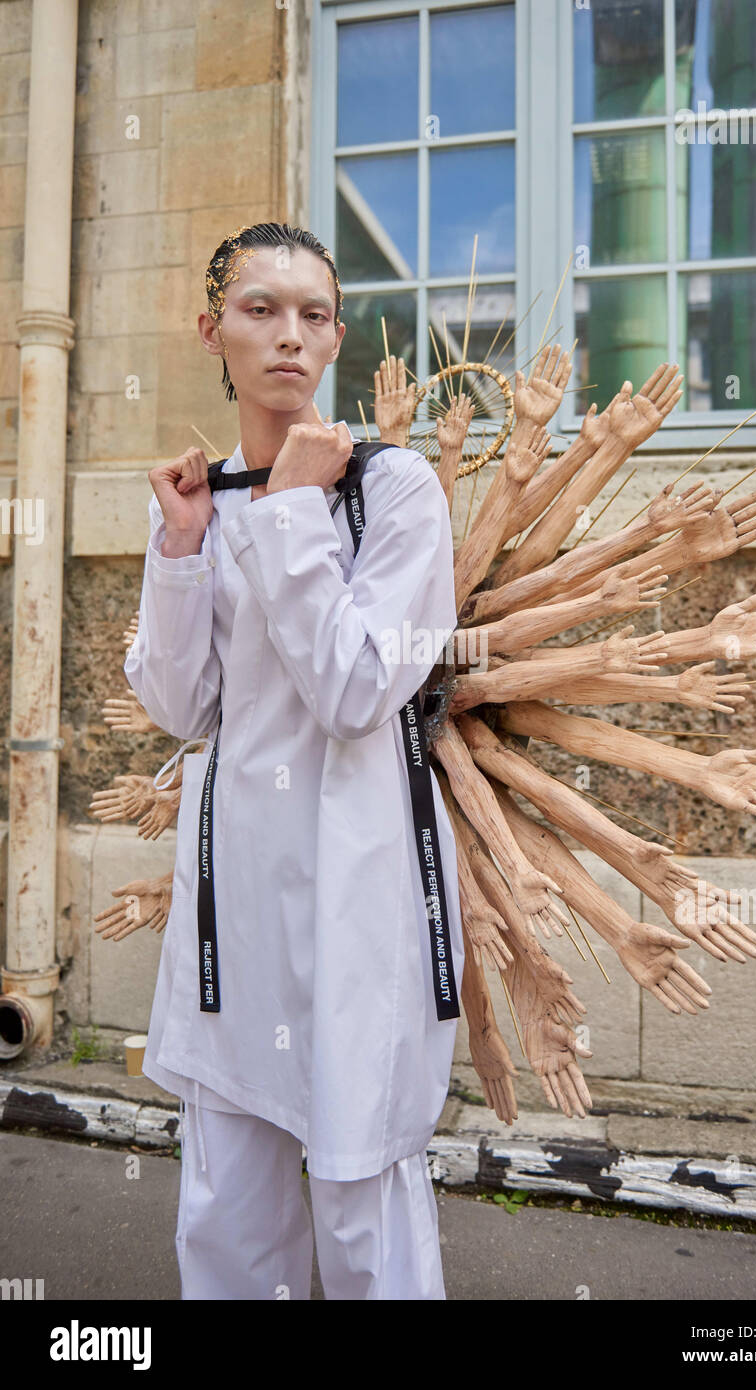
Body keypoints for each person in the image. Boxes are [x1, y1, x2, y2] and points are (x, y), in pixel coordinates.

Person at [124, 223, 464, 1300]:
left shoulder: (394, 491)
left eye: (314, 313)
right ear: (210, 328)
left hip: (360, 890)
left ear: (337, 336)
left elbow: (361, 690)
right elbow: (184, 706)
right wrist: (180, 549)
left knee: (363, 1196)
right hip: (238, 897)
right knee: (230, 1206)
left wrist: (293, 515)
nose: (289, 336)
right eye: (260, 309)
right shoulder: (195, 500)